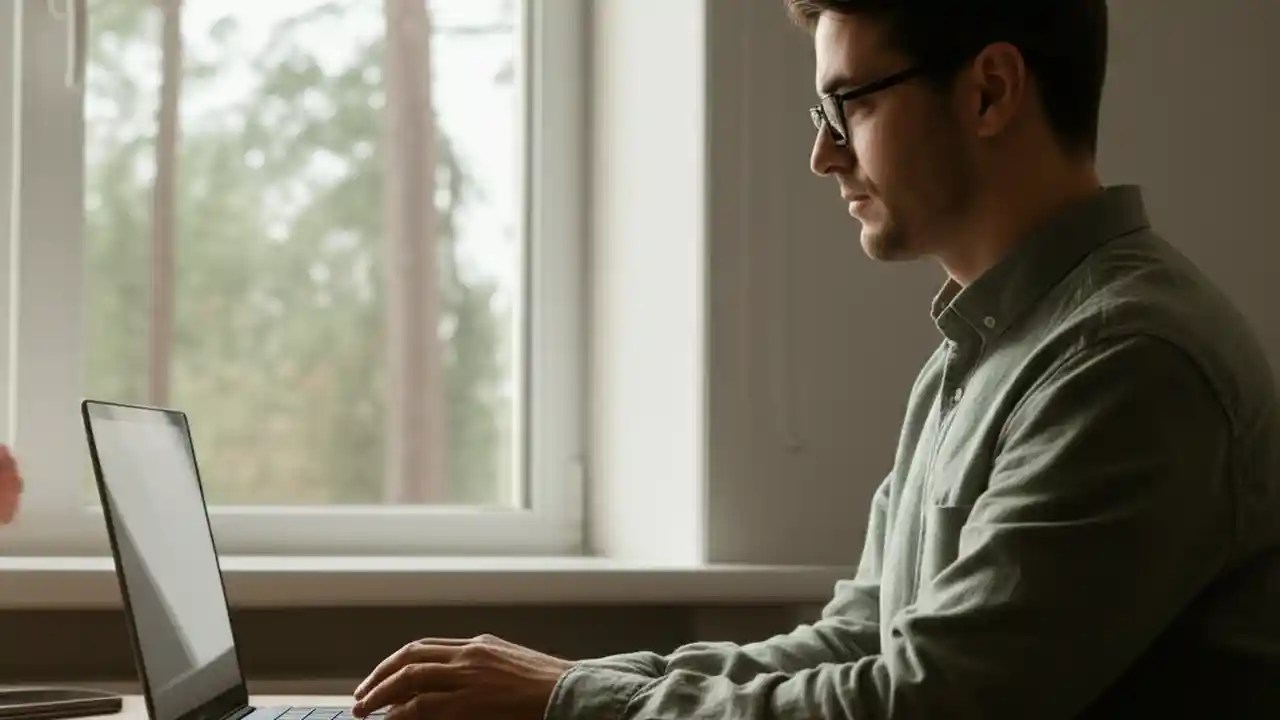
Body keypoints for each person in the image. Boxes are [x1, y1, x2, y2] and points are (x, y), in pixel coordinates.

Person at [340, 0, 1280, 717]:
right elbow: (861, 637)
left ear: (991, 90)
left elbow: (930, 700)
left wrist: (577, 701)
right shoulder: (989, 350)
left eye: (848, 104)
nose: (823, 154)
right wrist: (576, 685)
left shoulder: (1128, 363)